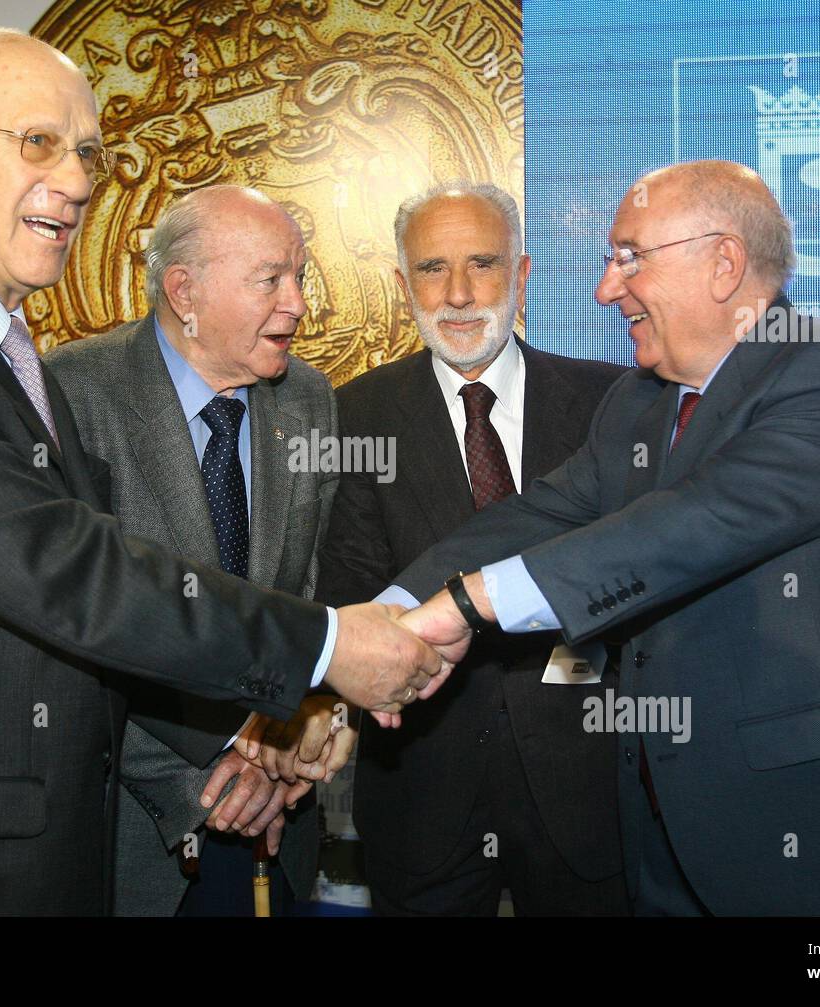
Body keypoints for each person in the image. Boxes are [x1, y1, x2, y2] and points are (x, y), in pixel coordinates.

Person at [0, 27, 448, 916]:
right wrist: (327, 648)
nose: (74, 182)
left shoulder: (2, 353)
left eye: (87, 153)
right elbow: (73, 573)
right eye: (37, 142)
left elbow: (86, 639)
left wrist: (267, 729)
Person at [388, 160, 820, 915]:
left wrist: (467, 606)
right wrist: (392, 608)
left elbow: (689, 527)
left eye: (629, 257)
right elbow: (535, 515)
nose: (608, 289)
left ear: (724, 262)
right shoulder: (636, 406)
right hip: (666, 857)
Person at [316, 181, 629, 915]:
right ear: (402, 286)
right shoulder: (354, 412)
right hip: (422, 792)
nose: (457, 293)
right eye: (431, 269)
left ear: (521, 275)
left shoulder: (610, 404)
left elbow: (630, 576)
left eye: (483, 264)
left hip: (589, 792)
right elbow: (350, 588)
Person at [46, 185, 356, 915]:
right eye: (271, 279)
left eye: (299, 277)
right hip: (142, 826)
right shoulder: (74, 393)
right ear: (185, 290)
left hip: (279, 829)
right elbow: (76, 633)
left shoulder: (308, 398)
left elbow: (313, 597)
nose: (298, 305)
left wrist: (301, 730)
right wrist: (218, 770)